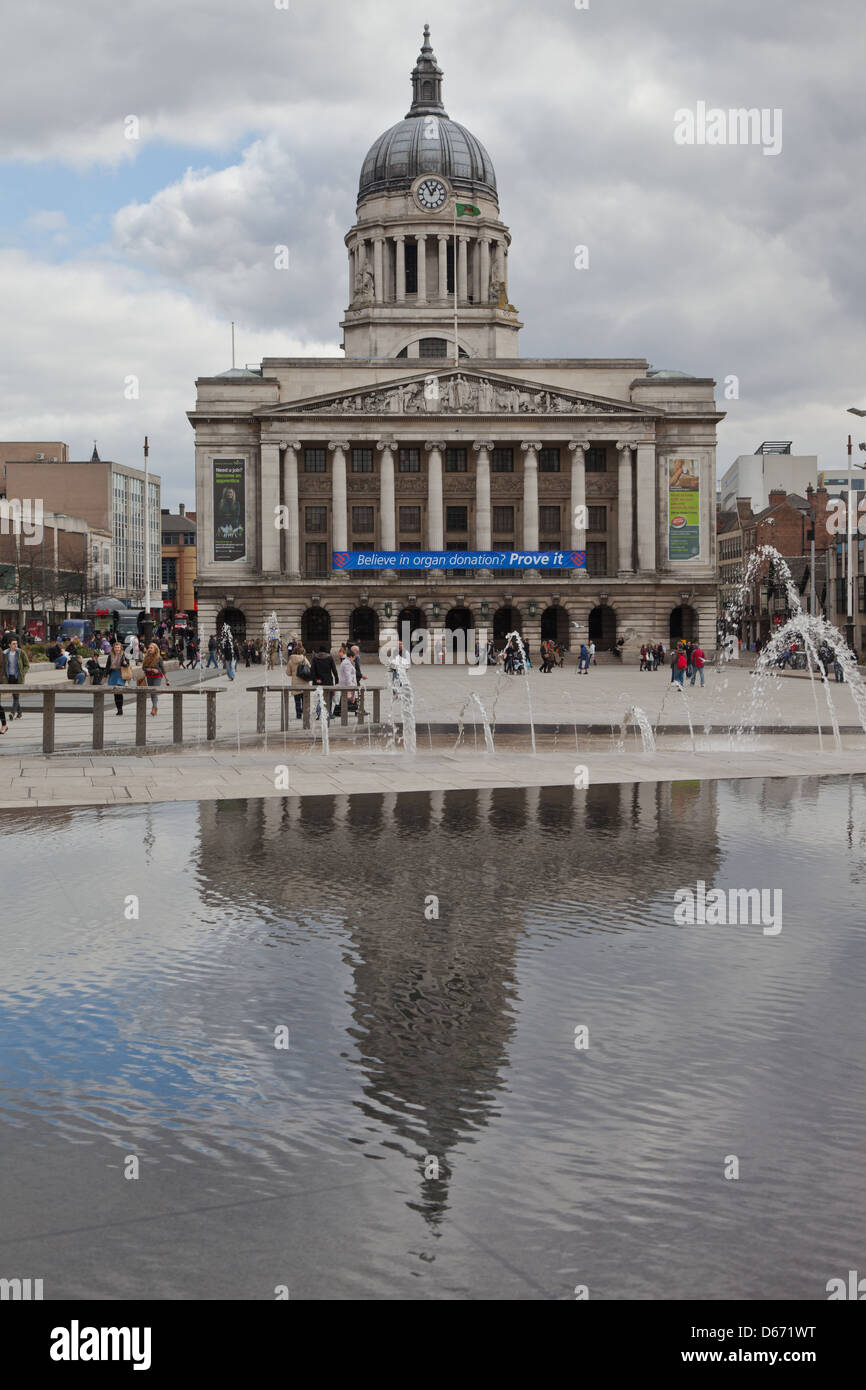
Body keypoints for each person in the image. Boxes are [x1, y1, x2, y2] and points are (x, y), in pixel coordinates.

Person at [2, 638, 29, 718]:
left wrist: (22, 673)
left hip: (18, 677)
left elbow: (27, 665)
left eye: (16, 643)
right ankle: (19, 712)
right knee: (15, 695)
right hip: (9, 677)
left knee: (16, 696)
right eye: (13, 644)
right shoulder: (5, 653)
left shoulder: (21, 652)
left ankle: (12, 713)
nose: (15, 645)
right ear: (9, 645)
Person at [141, 642, 170, 714]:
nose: (149, 649)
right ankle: (155, 707)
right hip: (149, 676)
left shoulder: (159, 658)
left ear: (155, 649)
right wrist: (151, 669)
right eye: (149, 648)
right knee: (152, 692)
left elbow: (163, 669)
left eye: (151, 648)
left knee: (154, 691)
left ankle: (154, 707)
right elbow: (143, 668)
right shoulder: (146, 657)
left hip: (157, 676)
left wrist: (167, 679)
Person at [310, 644, 338, 716]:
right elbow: (334, 670)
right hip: (328, 680)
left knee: (320, 698)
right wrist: (337, 680)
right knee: (329, 697)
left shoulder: (315, 658)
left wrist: (316, 679)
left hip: (319, 681)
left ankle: (318, 712)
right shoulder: (330, 658)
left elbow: (312, 671)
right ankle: (329, 713)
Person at [287, 642, 309, 718]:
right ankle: (306, 714)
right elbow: (309, 668)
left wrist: (294, 673)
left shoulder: (291, 660)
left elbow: (288, 673)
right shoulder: (304, 659)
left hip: (295, 684)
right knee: (305, 701)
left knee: (297, 701)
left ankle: (298, 715)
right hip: (304, 683)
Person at [107, 639, 128, 715]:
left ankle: (120, 708)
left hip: (120, 674)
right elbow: (107, 666)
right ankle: (118, 708)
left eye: (118, 647)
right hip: (113, 674)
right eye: (116, 647)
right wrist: (105, 675)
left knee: (119, 691)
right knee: (115, 692)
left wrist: (125, 664)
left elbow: (127, 665)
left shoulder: (124, 655)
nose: (117, 649)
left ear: (121, 648)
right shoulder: (110, 656)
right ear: (113, 648)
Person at [337, 645, 358, 716]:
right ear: (351, 656)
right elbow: (348, 676)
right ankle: (338, 711)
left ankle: (338, 711)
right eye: (354, 657)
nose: (354, 659)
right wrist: (352, 687)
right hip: (347, 686)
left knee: (344, 700)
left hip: (346, 685)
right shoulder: (347, 663)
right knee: (346, 700)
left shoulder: (347, 662)